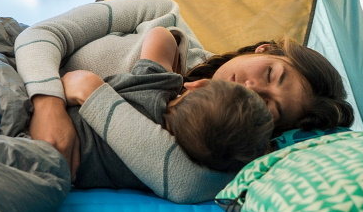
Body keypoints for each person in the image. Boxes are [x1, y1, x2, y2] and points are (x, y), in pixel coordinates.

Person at [14, 0, 353, 203]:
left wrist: (92, 92)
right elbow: (41, 34)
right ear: (265, 50)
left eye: (268, 105)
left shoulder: (209, 140)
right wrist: (48, 103)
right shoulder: (161, 13)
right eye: (269, 74)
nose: (250, 88)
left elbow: (186, 184)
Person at [58, 26, 273, 193]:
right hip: (53, 166)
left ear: (198, 84)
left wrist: (171, 75)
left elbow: (161, 35)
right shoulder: (159, 172)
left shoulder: (151, 88)